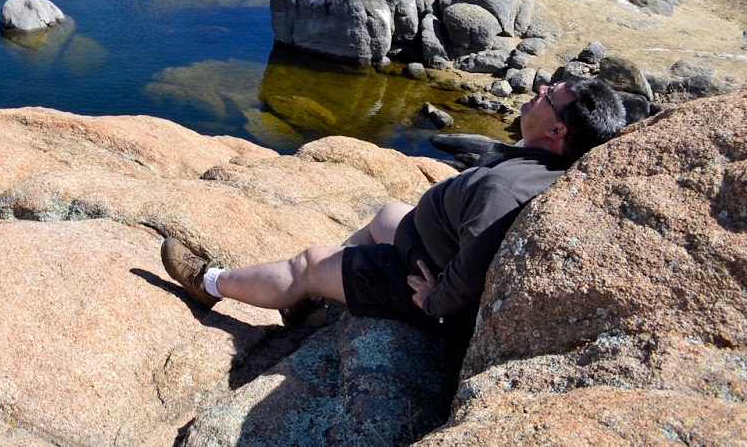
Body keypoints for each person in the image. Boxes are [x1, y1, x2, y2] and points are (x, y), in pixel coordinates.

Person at [161, 77, 628, 334]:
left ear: (558, 131)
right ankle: (317, 294)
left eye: (550, 96)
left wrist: (435, 301)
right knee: (386, 213)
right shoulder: (543, 164)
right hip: (422, 243)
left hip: (415, 279)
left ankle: (212, 282)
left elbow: (473, 269)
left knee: (307, 262)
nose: (541, 90)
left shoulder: (505, 191)